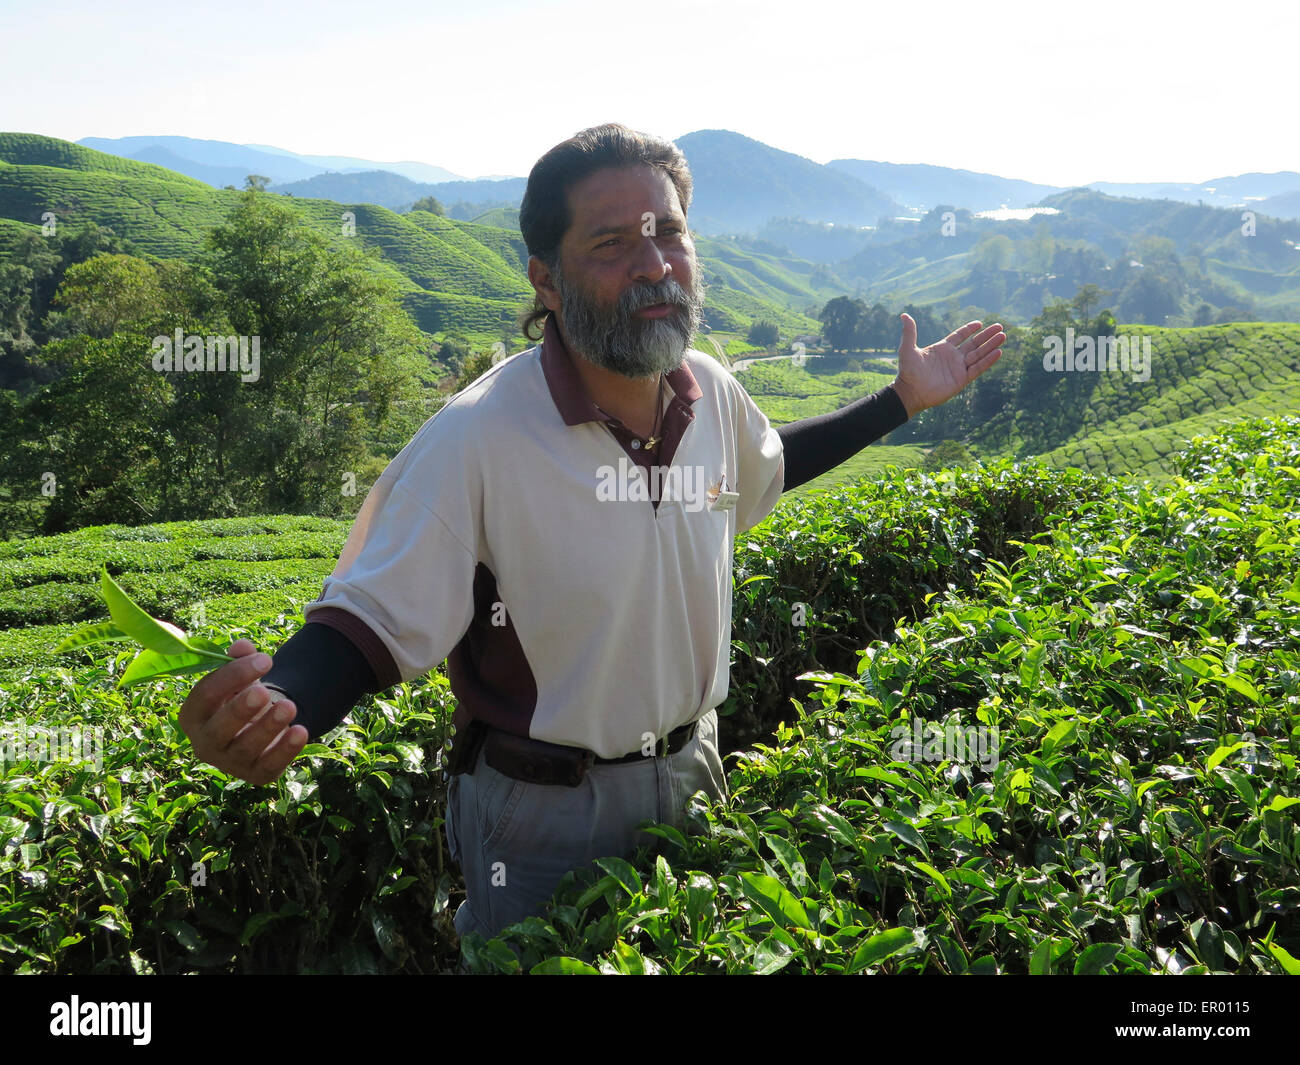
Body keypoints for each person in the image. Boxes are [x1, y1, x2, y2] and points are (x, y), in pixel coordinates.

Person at [178, 123, 1004, 942]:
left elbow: (769, 462)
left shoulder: (709, 391)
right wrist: (278, 705)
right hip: (543, 815)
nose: (653, 264)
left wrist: (899, 402)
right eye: (610, 244)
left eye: (669, 233)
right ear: (546, 278)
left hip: (695, 771)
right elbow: (365, 627)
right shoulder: (478, 437)